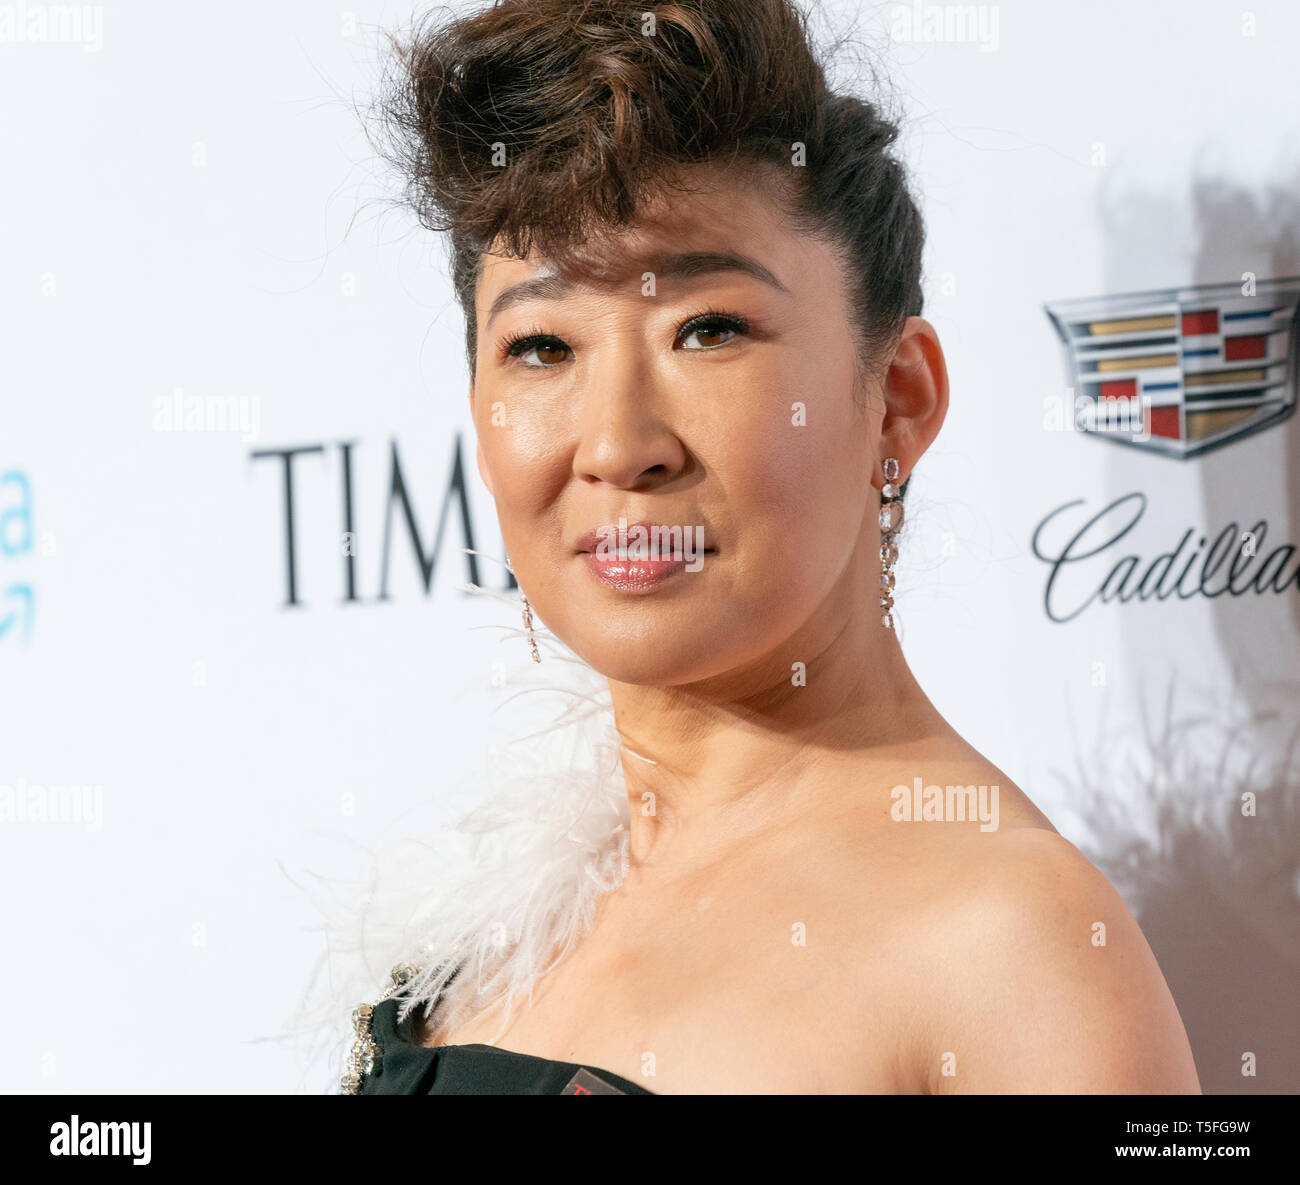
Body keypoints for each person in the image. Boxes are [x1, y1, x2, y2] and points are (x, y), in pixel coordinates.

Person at [340, 0, 1201, 1095]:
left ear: (896, 398)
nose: (616, 444)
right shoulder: (494, 928)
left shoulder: (1009, 951)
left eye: (707, 330)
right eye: (542, 346)